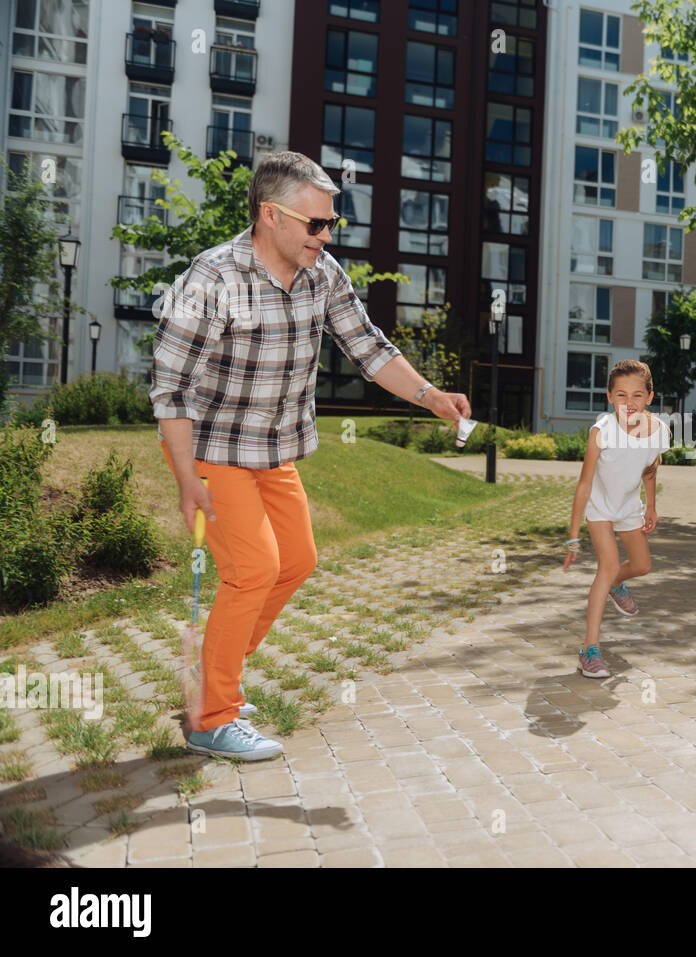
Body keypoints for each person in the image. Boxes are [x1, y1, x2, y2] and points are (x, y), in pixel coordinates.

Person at [151, 151, 470, 761]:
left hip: (274, 450)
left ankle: (217, 671)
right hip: (214, 448)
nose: (326, 235)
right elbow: (170, 384)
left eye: (331, 224)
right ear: (271, 215)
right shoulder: (212, 277)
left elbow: (368, 348)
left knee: (296, 561)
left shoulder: (323, 276)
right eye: (315, 224)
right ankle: (209, 717)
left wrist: (430, 397)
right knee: (253, 571)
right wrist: (187, 475)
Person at [562, 360, 669, 678]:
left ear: (650, 397)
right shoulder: (602, 431)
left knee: (643, 565)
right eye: (621, 395)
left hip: (628, 508)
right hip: (600, 509)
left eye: (637, 395)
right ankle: (589, 651)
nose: (629, 403)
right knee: (606, 568)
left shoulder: (660, 431)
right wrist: (572, 536)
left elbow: (650, 468)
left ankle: (617, 583)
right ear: (609, 396)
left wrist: (651, 506)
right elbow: (584, 484)